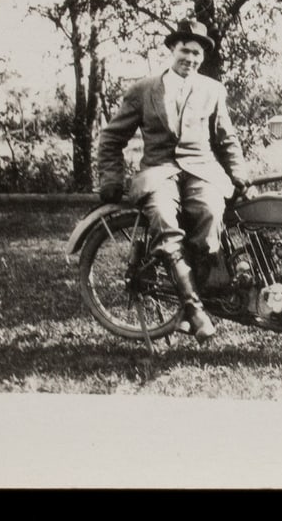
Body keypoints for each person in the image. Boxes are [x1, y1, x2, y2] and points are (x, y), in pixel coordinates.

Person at [97, 19, 250, 342]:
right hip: (159, 171)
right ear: (172, 49)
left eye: (196, 54)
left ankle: (189, 305)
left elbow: (227, 139)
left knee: (209, 215)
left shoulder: (213, 90)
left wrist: (239, 174)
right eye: (184, 50)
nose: (190, 59)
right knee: (165, 222)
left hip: (201, 170)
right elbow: (112, 138)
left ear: (202, 57)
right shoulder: (143, 90)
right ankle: (194, 311)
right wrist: (111, 178)